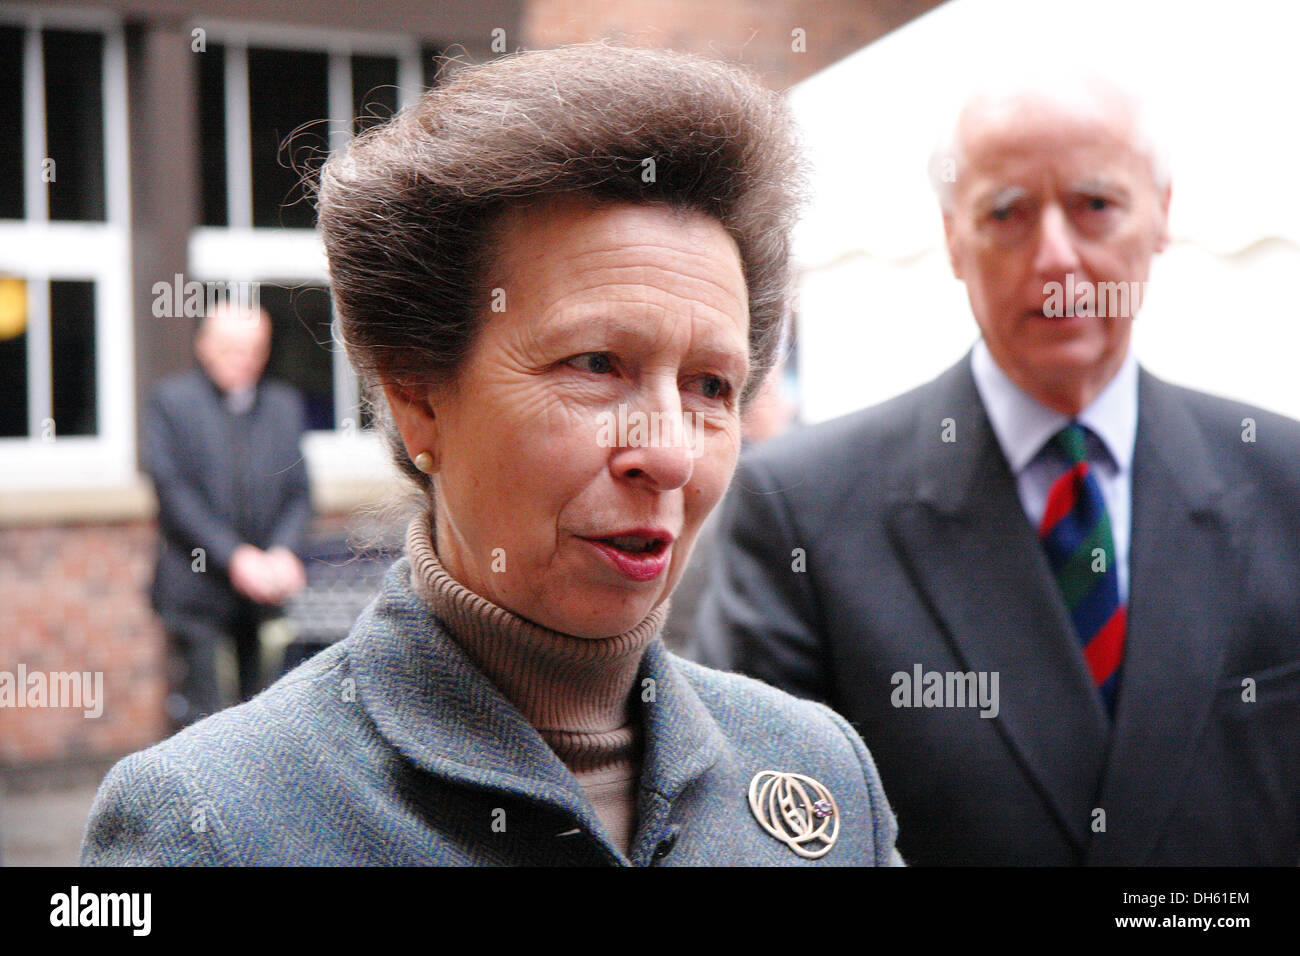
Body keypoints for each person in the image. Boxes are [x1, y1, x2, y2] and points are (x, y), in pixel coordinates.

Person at [81, 44, 901, 866]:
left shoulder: (819, 775)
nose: (669, 453)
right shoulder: (211, 822)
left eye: (712, 387)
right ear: (418, 398)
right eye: (594, 365)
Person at [692, 72, 1300, 865]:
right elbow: (757, 823)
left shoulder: (1283, 480)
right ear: (952, 237)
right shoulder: (803, 507)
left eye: (1095, 207)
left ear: (1162, 217)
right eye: (1007, 213)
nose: (1056, 258)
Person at [145, 303, 310, 730]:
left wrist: (283, 551)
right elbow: (174, 495)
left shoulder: (283, 404)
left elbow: (299, 492)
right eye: (232, 350)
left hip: (262, 600)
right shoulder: (172, 403)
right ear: (204, 347)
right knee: (206, 720)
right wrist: (234, 557)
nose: (244, 362)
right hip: (197, 594)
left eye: (254, 351)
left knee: (265, 715)